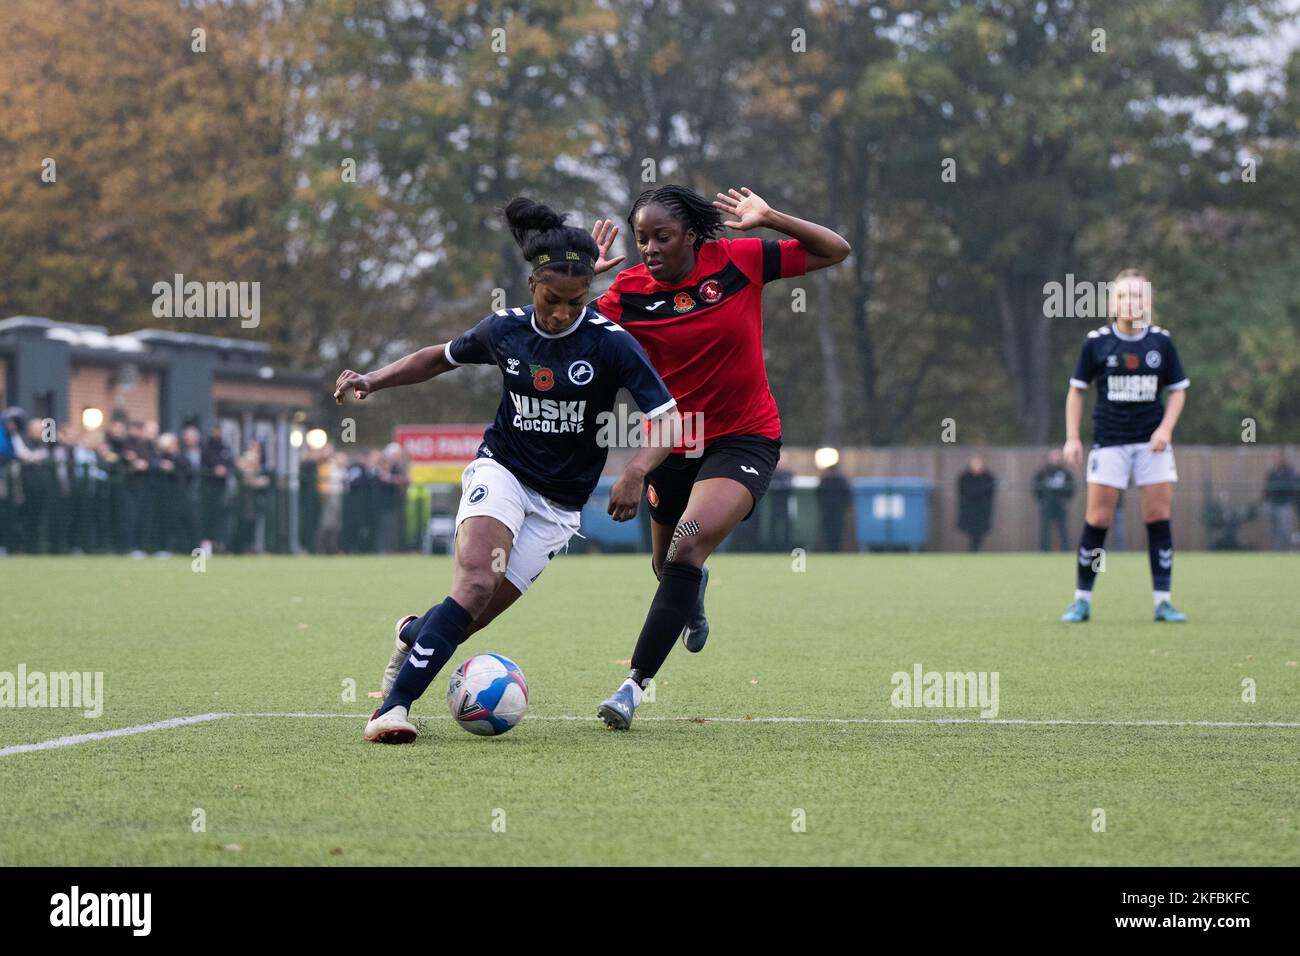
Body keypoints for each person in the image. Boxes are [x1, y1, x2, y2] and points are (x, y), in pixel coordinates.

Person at [334, 197, 680, 744]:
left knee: (469, 617)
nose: (564, 313)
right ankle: (391, 710)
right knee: (473, 584)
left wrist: (637, 469)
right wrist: (373, 380)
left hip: (559, 506)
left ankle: (411, 634)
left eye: (577, 300)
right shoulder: (505, 330)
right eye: (553, 299)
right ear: (531, 286)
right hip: (503, 472)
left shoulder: (612, 345)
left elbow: (667, 420)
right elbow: (437, 357)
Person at [586, 183, 850, 729]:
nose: (650, 248)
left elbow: (835, 250)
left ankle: (632, 687)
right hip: (673, 446)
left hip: (743, 437)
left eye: (662, 237)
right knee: (667, 567)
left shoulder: (739, 259)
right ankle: (693, 591)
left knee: (684, 548)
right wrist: (580, 283)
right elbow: (558, 335)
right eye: (641, 239)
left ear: (689, 236)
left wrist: (773, 217)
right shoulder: (626, 295)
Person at [1060, 269, 1189, 623]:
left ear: (1149, 303)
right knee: (1097, 519)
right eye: (1124, 296)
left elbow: (1178, 390)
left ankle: (1163, 601)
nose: (1131, 302)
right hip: (1109, 443)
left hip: (1152, 446)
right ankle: (1082, 599)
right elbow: (1077, 390)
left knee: (1158, 517)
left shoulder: (1161, 342)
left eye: (1138, 296)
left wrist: (1165, 429)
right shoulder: (1096, 342)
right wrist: (1073, 436)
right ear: (1112, 303)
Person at [1032, 449, 1075, 552]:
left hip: (1060, 504)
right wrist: (1040, 500)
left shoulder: (1065, 472)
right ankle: (1044, 549)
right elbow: (1035, 487)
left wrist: (1066, 500)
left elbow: (1072, 487)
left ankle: (1065, 549)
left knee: (1062, 528)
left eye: (1058, 456)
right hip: (1047, 504)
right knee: (1045, 528)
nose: (1056, 458)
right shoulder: (1042, 471)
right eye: (1054, 456)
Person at [957, 457, 995, 552]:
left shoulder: (988, 477)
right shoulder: (964, 477)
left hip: (982, 509)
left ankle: (976, 550)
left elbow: (989, 491)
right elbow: (963, 490)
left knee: (980, 531)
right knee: (970, 530)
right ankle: (973, 550)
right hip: (969, 508)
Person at [1262, 453, 1297, 551]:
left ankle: (1289, 549)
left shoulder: (1289, 472)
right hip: (1272, 504)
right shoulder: (1272, 472)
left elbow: (1291, 487)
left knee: (1285, 529)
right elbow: (1267, 487)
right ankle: (1277, 550)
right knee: (1274, 530)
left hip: (1284, 504)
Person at [816, 462, 852, 552]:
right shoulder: (825, 480)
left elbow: (847, 496)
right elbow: (818, 495)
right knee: (829, 531)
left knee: (837, 531)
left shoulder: (840, 480)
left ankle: (836, 549)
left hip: (837, 511)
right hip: (829, 511)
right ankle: (831, 549)